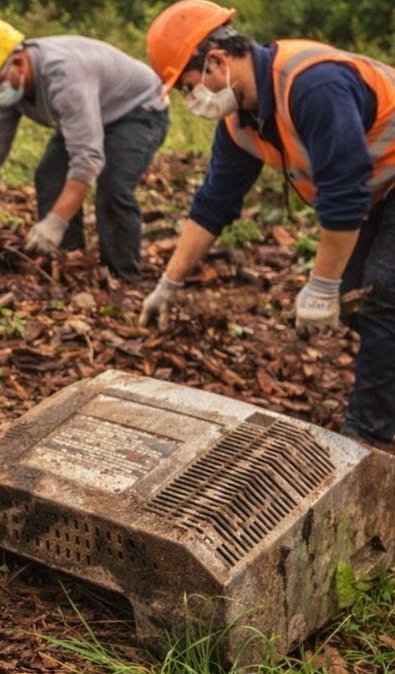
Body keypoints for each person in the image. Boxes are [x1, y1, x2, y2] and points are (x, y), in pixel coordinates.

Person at [138, 0, 395, 450]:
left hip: (377, 187)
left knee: (383, 293)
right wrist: (169, 283)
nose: (190, 100)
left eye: (188, 86)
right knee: (358, 295)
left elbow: (344, 196)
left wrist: (319, 284)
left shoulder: (313, 85)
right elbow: (213, 204)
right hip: (381, 189)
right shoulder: (242, 123)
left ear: (216, 61)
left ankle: (368, 441)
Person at [0, 18, 170, 282]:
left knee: (113, 185)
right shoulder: (9, 84)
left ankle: (123, 279)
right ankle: (69, 261)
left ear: (18, 62)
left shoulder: (64, 77)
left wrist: (55, 221)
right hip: (91, 112)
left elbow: (87, 159)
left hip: (138, 109)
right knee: (49, 175)